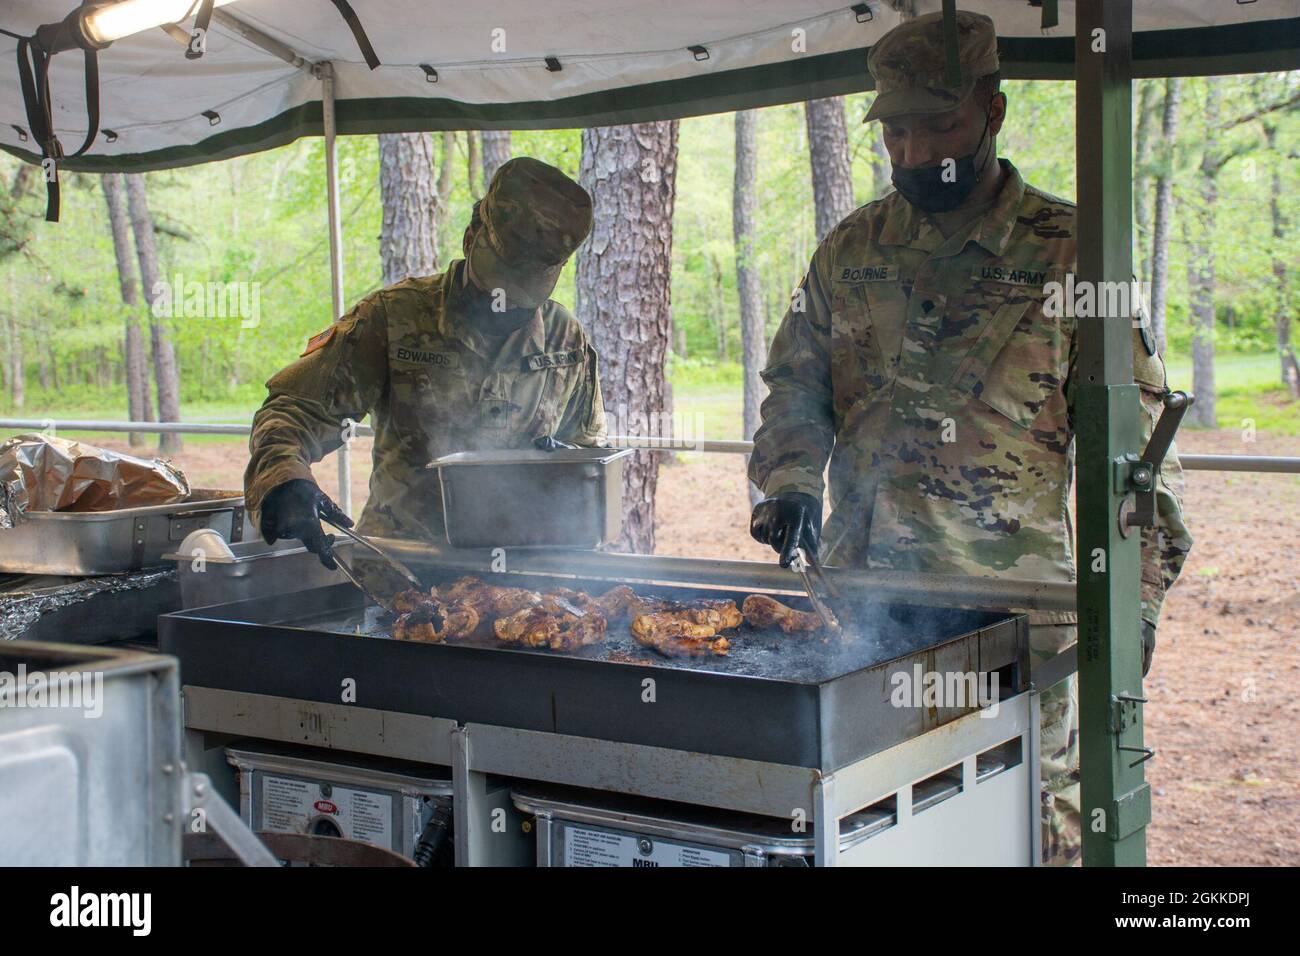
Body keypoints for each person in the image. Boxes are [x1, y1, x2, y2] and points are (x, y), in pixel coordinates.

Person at [747, 10, 1192, 865]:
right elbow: (796, 382)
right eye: (899, 132)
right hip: (864, 606)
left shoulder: (1070, 253)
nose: (916, 154)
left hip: (1019, 620)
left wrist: (1119, 642)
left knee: (1026, 821)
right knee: (878, 820)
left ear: (993, 109)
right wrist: (790, 480)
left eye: (939, 126)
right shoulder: (852, 250)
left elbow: (1141, 474)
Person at [244, 157, 605, 580]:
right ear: (470, 239)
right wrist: (285, 478)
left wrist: (562, 472)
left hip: (523, 584)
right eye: (497, 288)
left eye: (523, 298)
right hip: (402, 568)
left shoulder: (566, 340)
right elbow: (294, 412)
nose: (504, 309)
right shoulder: (395, 318)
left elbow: (584, 454)